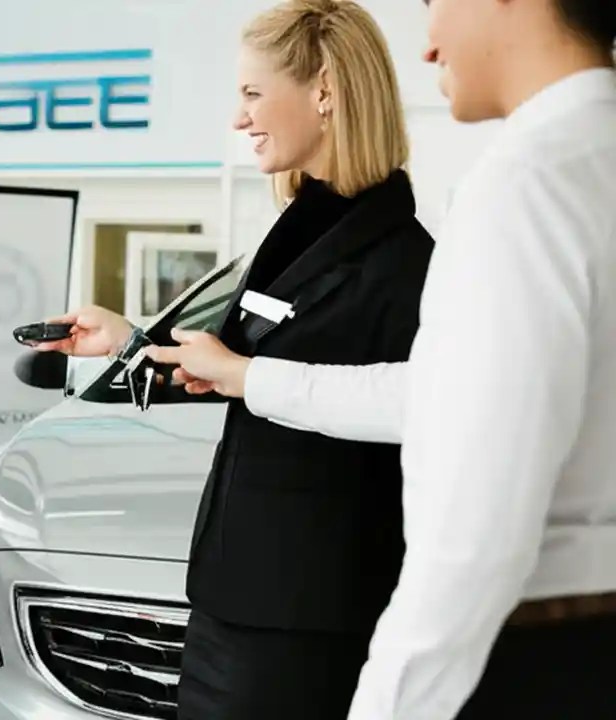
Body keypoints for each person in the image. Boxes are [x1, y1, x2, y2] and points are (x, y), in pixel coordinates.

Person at [150, 1, 616, 718]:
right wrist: (236, 374)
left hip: (517, 644)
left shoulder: (527, 182)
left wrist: (389, 703)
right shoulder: (573, 165)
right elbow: (433, 395)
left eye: (434, 2)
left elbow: (475, 506)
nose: (427, 46)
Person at [35, 1, 432, 717]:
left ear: (324, 92)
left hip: (306, 618)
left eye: (252, 94)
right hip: (234, 596)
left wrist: (242, 374)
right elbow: (234, 368)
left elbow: (408, 410)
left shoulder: (406, 264)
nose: (238, 118)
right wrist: (129, 342)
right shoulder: (300, 227)